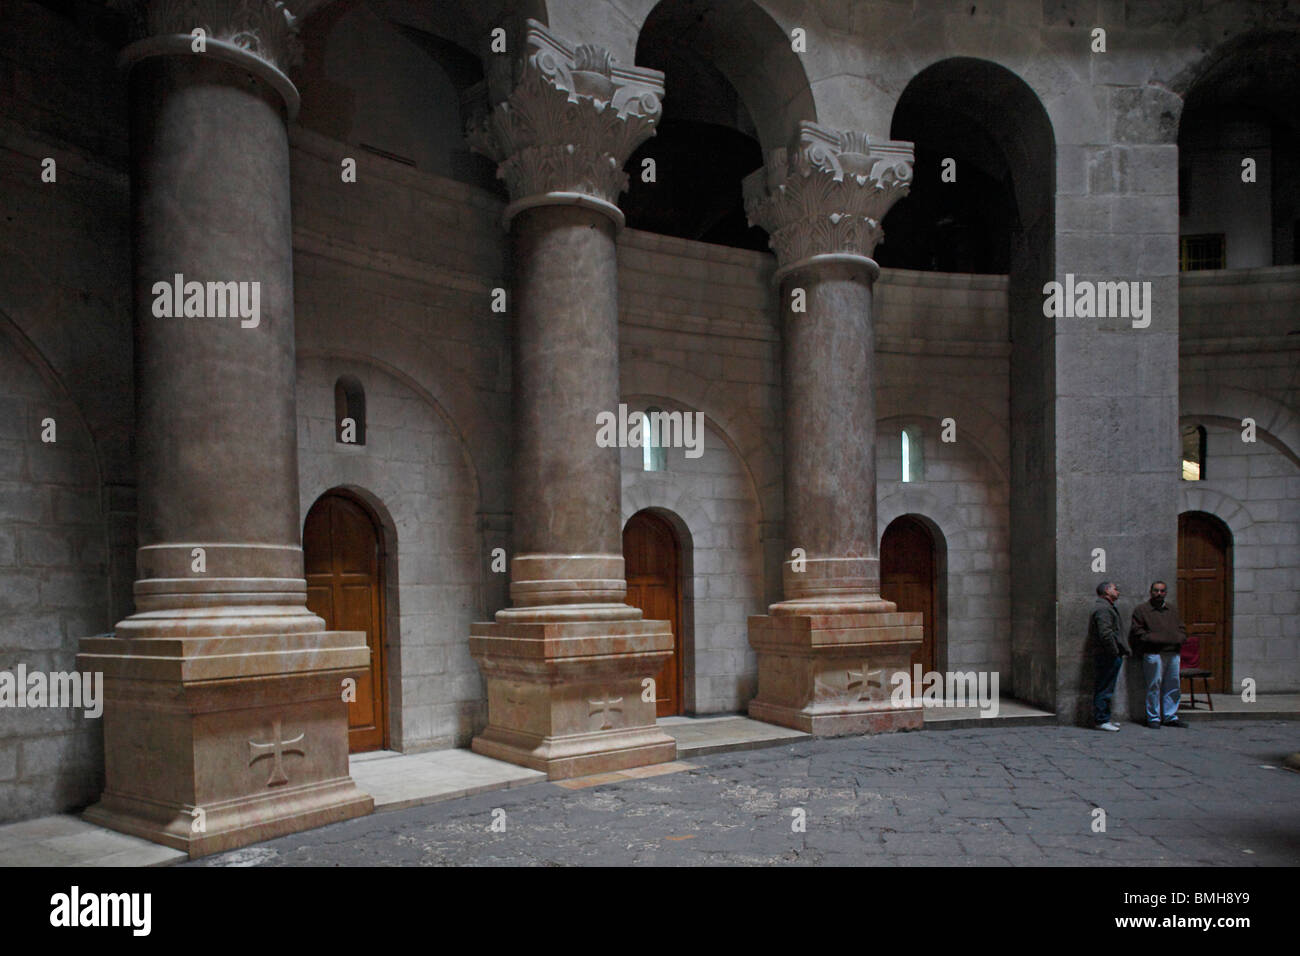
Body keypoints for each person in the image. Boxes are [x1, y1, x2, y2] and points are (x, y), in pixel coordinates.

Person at [1129, 581, 1189, 728]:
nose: (1159, 594)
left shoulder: (1172, 610)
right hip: (1153, 653)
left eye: (1162, 591)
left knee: (1173, 685)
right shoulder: (1142, 610)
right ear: (1151, 592)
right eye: (1156, 591)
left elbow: (1181, 628)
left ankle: (1170, 716)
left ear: (1166, 593)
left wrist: (1180, 638)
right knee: (1154, 685)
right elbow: (1138, 632)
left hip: (1173, 653)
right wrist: (1155, 639)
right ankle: (1153, 717)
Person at [1089, 581, 1128, 731]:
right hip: (1107, 655)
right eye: (1114, 588)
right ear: (1106, 591)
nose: (1117, 590)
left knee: (1106, 687)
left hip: (1108, 653)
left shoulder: (1106, 607)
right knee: (1105, 687)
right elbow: (1105, 634)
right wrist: (1114, 651)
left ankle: (1104, 717)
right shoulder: (1103, 609)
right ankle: (1101, 720)